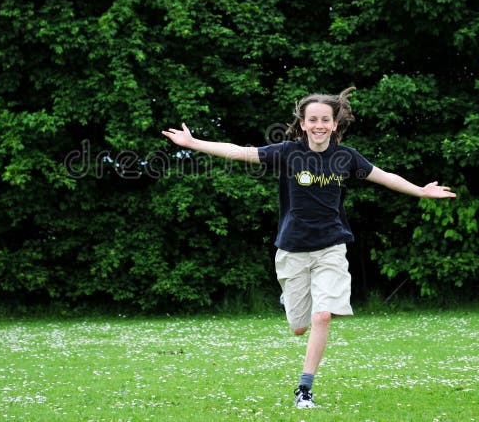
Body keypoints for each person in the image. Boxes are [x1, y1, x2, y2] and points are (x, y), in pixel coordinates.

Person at [161, 87, 456, 409]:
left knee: (323, 315)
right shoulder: (289, 152)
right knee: (299, 327)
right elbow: (239, 152)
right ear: (302, 123)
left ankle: (304, 389)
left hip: (331, 245)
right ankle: (289, 299)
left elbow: (383, 176)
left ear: (334, 124)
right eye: (312, 119)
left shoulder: (346, 157)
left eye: (325, 120)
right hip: (292, 249)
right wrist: (193, 144)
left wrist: (420, 191)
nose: (318, 124)